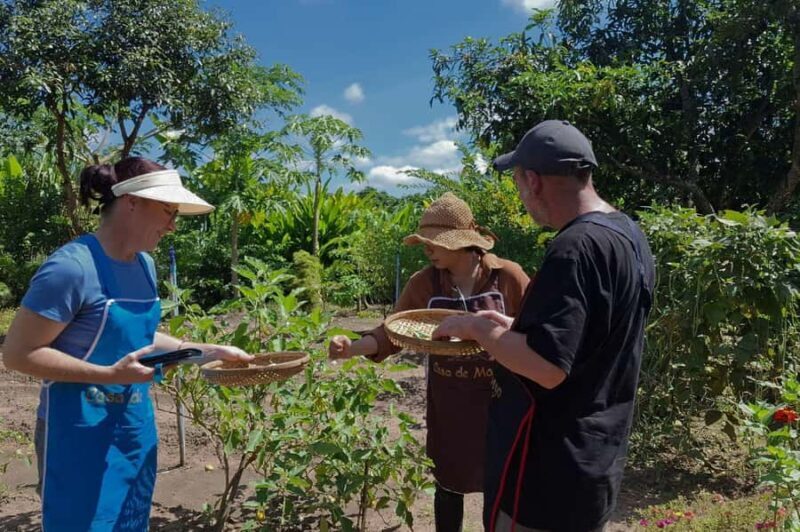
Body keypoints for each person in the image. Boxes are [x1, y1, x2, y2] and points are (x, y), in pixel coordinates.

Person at [2, 157, 253, 531]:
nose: (172, 225)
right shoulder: (72, 268)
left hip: (133, 427)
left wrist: (204, 352)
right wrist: (106, 374)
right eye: (168, 212)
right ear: (131, 201)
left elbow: (137, 333)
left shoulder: (144, 266)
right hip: (77, 430)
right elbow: (18, 354)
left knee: (130, 522)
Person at [433, 121, 656, 532]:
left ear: (533, 181)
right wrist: (516, 325)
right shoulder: (627, 235)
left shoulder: (574, 248)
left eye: (518, 185)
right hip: (595, 456)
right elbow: (589, 335)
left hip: (547, 472)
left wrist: (477, 329)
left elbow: (548, 368)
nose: (521, 197)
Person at [328, 192, 529, 532]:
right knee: (448, 483)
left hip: (501, 402)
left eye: (435, 242)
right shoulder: (424, 284)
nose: (427, 249)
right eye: (425, 242)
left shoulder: (506, 277)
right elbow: (391, 333)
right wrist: (350, 348)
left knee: (501, 485)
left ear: (463, 243)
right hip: (449, 402)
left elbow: (537, 332)